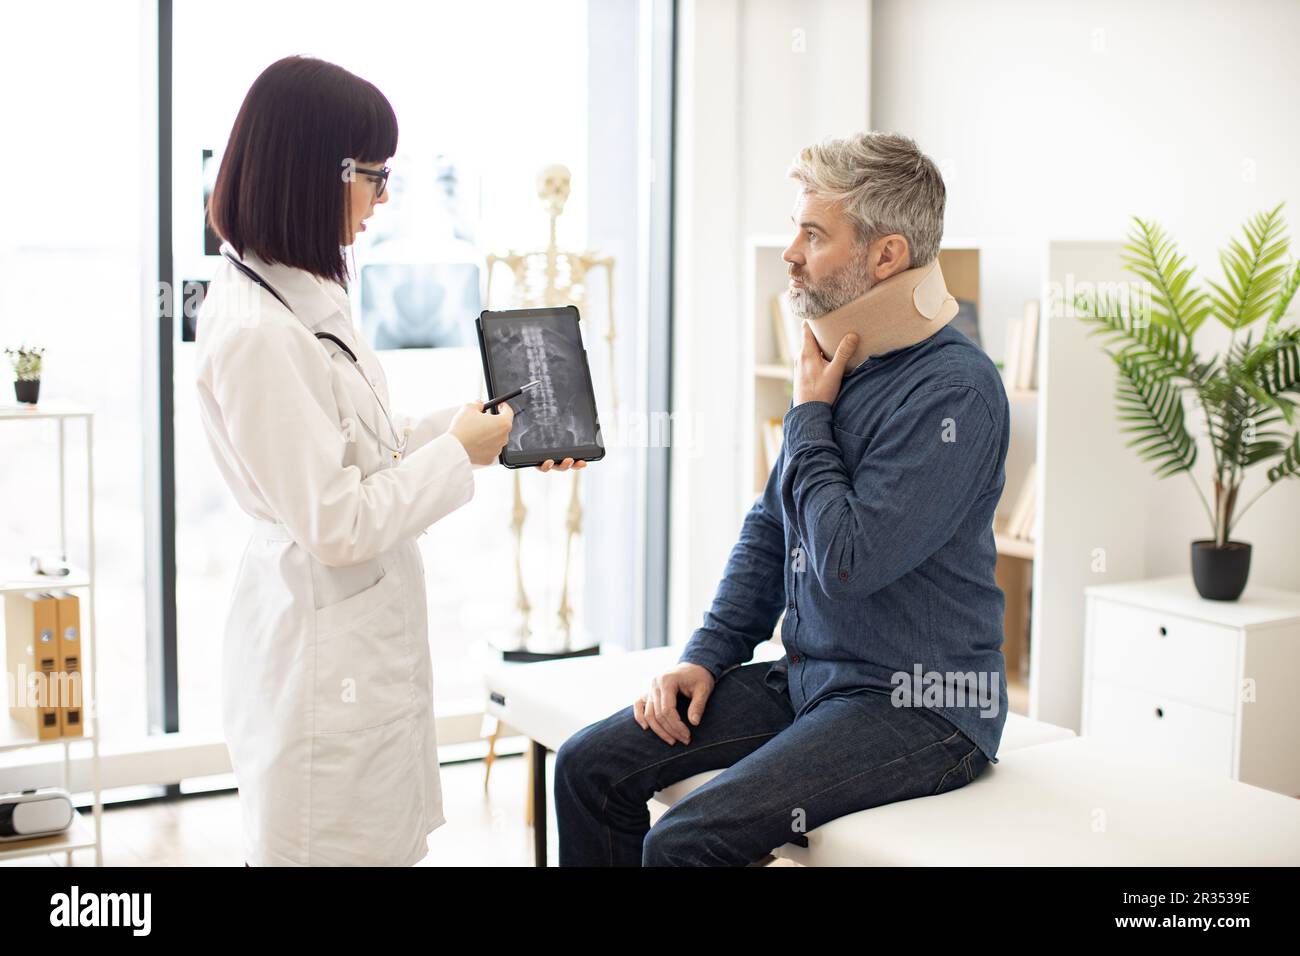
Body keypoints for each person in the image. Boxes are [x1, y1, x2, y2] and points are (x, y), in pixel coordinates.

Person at [554, 132, 1009, 866]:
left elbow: (848, 562)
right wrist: (707, 656)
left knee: (686, 841)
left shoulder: (954, 391)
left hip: (922, 707)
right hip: (817, 680)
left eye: (812, 233)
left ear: (887, 256)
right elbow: (773, 526)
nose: (790, 253)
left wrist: (807, 418)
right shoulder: (846, 362)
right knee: (587, 767)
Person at [194, 55, 582, 866]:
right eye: (373, 176)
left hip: (351, 641)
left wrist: (480, 432)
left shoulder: (294, 297)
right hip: (317, 656)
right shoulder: (258, 333)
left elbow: (363, 445)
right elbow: (336, 521)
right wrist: (454, 454)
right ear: (312, 173)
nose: (383, 198)